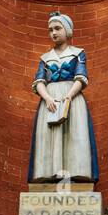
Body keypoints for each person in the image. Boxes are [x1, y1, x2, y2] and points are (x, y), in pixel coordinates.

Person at [27, 12, 99, 185]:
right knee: (49, 135)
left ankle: (75, 172)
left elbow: (81, 78)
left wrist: (68, 96)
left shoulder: (78, 53)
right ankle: (49, 173)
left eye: (58, 28)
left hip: (72, 97)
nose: (54, 32)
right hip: (50, 99)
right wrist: (47, 98)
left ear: (67, 30)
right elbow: (39, 82)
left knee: (74, 134)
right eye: (50, 29)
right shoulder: (45, 57)